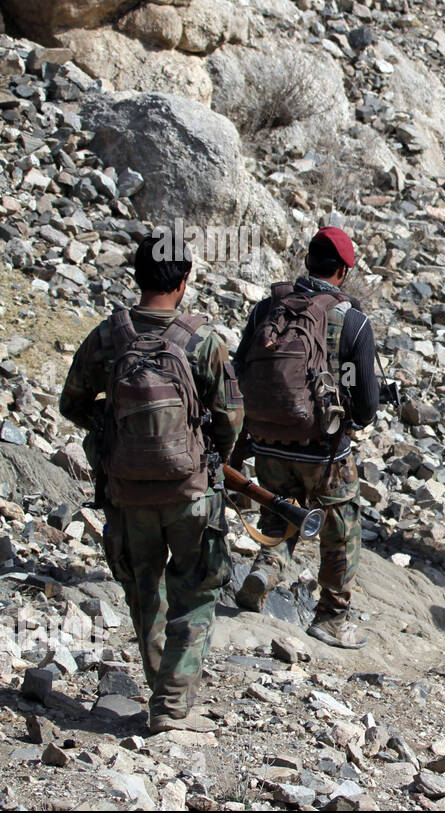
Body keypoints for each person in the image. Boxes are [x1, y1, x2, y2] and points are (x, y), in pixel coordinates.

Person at [60, 234, 244, 734]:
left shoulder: (108, 336)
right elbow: (230, 418)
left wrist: (113, 425)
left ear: (137, 277)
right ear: (184, 283)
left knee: (145, 588)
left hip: (127, 493)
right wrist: (208, 460)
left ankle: (161, 690)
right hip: (189, 492)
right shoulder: (202, 340)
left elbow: (71, 403)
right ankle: (171, 705)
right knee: (197, 591)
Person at [232, 226, 379, 649]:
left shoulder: (266, 311)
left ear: (307, 263)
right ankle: (332, 616)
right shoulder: (352, 321)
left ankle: (269, 565)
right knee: (342, 522)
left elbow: (241, 374)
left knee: (281, 511)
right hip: (325, 452)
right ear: (344, 271)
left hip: (267, 444)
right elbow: (366, 409)